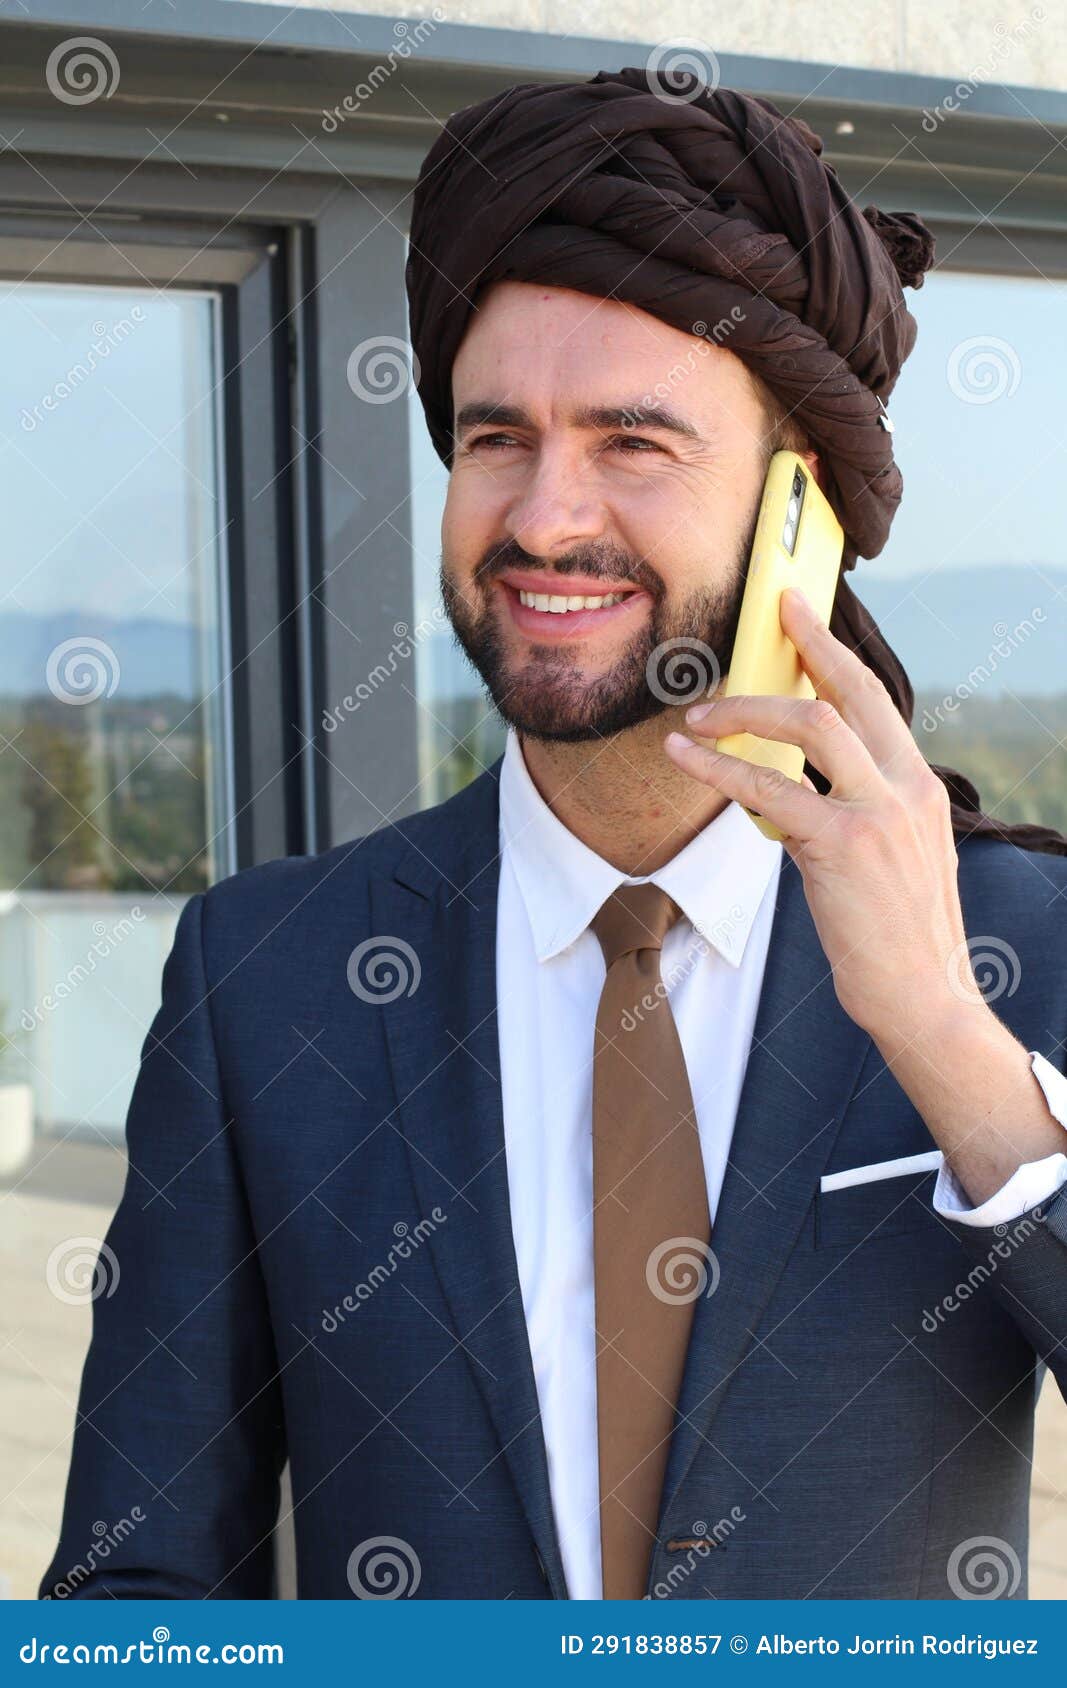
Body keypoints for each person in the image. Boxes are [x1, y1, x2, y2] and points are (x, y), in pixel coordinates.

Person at [42, 69, 1067, 1602]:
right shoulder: (267, 978)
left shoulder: (1017, 947)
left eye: (632, 441)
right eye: (496, 437)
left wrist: (943, 1036)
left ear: (799, 511)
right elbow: (133, 1594)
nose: (541, 517)